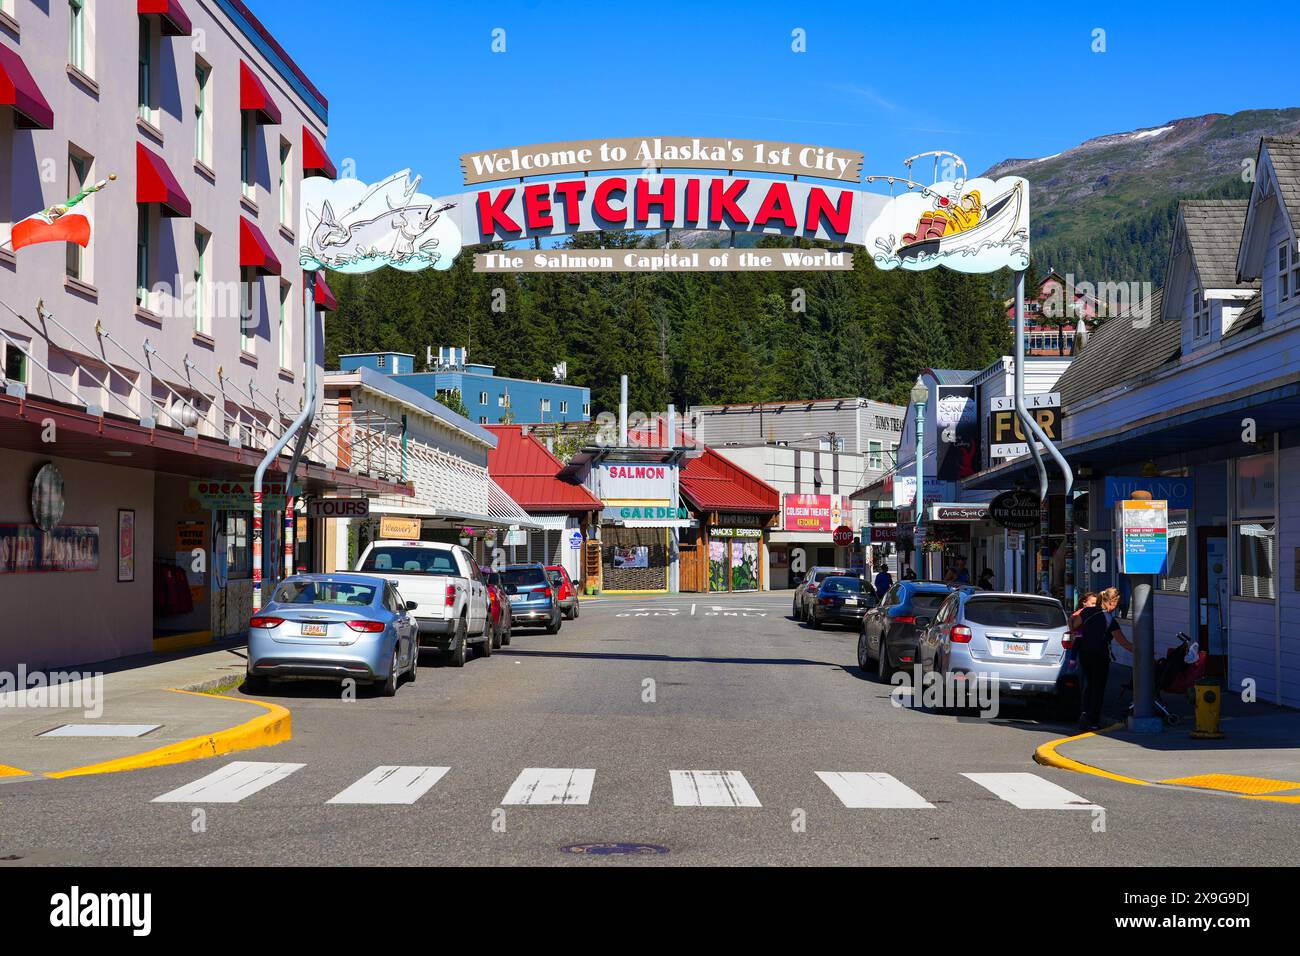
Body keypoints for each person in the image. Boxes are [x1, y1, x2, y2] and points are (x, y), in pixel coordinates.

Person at [1075, 587, 1133, 730]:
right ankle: (1093, 720)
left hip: (1084, 653)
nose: (1116, 607)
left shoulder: (1087, 612)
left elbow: (1074, 625)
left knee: (1088, 684)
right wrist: (1142, 652)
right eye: (1116, 604)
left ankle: (1084, 714)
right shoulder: (1109, 619)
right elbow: (1123, 642)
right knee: (1098, 688)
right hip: (1100, 656)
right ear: (1111, 602)